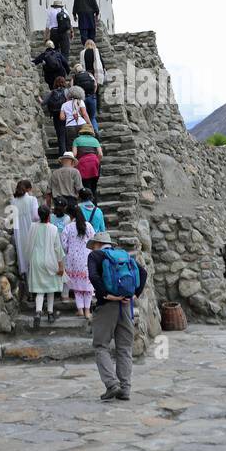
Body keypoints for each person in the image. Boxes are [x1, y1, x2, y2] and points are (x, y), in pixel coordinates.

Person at [87, 232, 148, 401]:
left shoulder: (95, 256)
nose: (91, 248)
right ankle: (125, 389)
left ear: (98, 244)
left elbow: (93, 276)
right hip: (126, 306)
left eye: (93, 244)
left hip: (107, 306)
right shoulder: (123, 255)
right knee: (124, 348)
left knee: (101, 345)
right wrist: (135, 294)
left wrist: (106, 294)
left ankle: (112, 384)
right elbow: (143, 273)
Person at [26, 204, 65, 328]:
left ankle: (38, 312)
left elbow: (29, 243)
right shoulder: (53, 229)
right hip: (50, 260)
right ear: (49, 215)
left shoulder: (32, 227)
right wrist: (60, 266)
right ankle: (50, 313)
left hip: (36, 260)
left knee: (39, 289)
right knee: (50, 288)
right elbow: (58, 249)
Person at [63, 202, 95, 321]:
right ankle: (87, 311)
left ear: (71, 216)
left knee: (77, 286)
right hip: (87, 258)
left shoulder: (68, 227)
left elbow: (64, 245)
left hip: (73, 259)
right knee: (88, 286)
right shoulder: (88, 226)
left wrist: (69, 251)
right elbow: (94, 240)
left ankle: (80, 310)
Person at [12, 179, 39, 296]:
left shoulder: (13, 201)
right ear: (28, 189)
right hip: (31, 230)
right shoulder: (32, 200)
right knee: (35, 258)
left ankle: (30, 293)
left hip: (19, 232)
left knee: (24, 257)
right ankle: (38, 290)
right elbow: (36, 217)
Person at [73, 131, 103, 202]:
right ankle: (94, 206)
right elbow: (100, 154)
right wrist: (97, 161)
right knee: (94, 186)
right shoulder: (95, 140)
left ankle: (87, 205)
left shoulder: (77, 140)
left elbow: (74, 154)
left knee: (86, 186)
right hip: (94, 163)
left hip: (83, 163)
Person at [43, 76, 69, 154]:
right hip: (65, 115)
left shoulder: (52, 92)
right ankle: (67, 154)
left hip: (55, 115)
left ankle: (62, 154)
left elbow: (44, 102)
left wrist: (38, 98)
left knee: (60, 135)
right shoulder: (66, 91)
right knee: (66, 135)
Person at [73, 63, 99, 134]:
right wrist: (93, 93)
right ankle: (96, 130)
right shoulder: (89, 74)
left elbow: (73, 89)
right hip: (92, 97)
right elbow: (95, 84)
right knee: (92, 117)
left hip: (82, 99)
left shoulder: (75, 77)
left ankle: (88, 132)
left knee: (84, 116)